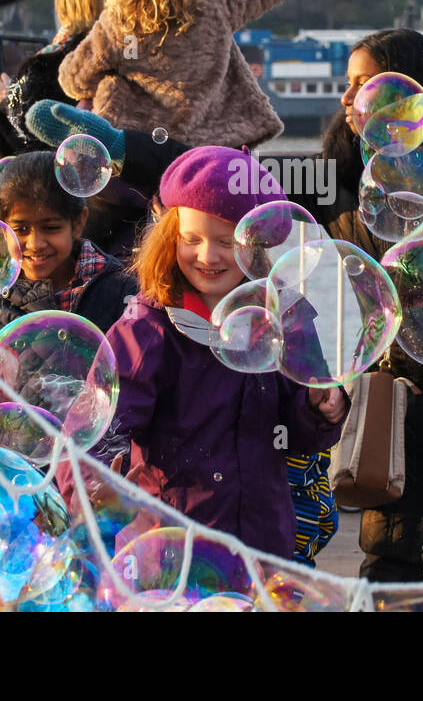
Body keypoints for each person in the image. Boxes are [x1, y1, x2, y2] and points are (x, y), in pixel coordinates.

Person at [28, 28, 423, 586]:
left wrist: (321, 413)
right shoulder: (352, 189)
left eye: (365, 86)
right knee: (399, 560)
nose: (349, 100)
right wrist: (125, 149)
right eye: (348, 86)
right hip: (185, 544)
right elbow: (235, 192)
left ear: (413, 104)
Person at [93, 146, 349, 559]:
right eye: (190, 240)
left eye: (226, 242)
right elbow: (96, 429)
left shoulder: (285, 317)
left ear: (259, 245)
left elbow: (298, 436)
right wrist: (100, 495)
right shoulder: (149, 327)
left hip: (262, 544)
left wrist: (320, 409)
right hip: (172, 550)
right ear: (169, 239)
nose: (207, 256)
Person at [57, 0, 298, 149]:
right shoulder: (216, 0)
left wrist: (109, 83)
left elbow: (74, 79)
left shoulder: (119, 22)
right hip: (216, 144)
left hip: (142, 146)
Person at [0, 150, 135, 341]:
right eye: (21, 229)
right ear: (2, 225)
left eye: (51, 228)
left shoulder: (123, 295)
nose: (35, 244)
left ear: (78, 223)